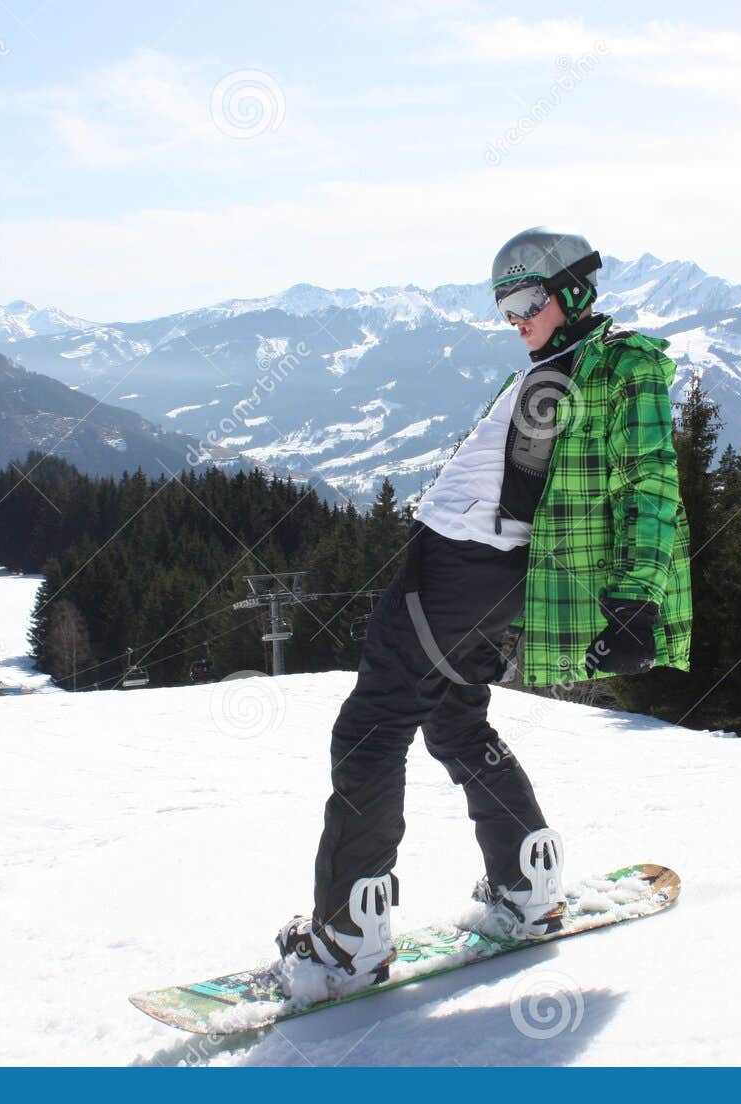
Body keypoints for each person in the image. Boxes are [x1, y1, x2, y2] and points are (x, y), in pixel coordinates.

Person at [273, 228, 693, 1000]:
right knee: (455, 720)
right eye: (506, 307)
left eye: (529, 300)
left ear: (572, 292)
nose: (517, 318)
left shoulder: (605, 367)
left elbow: (650, 482)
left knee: (372, 725)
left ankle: (346, 936)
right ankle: (525, 877)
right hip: (485, 574)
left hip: (457, 571)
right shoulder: (561, 371)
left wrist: (635, 599)